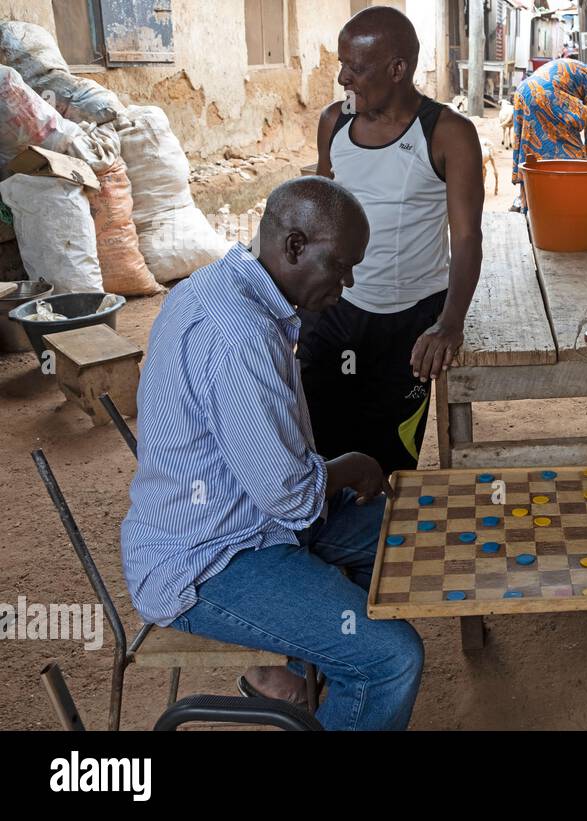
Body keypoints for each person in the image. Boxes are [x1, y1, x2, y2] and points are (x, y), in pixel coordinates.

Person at [121, 177, 424, 731]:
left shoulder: (223, 286)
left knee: (404, 532)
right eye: (341, 266)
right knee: (390, 657)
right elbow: (287, 493)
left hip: (249, 520)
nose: (348, 282)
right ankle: (344, 667)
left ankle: (306, 662)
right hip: (209, 559)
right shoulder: (240, 332)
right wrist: (353, 465)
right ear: (294, 247)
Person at [305, 5, 485, 474]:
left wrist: (449, 323)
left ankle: (376, 538)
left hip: (409, 319)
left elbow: (467, 236)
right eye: (342, 64)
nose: (344, 78)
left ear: (397, 69)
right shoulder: (334, 123)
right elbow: (322, 208)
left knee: (389, 453)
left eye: (356, 68)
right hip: (336, 309)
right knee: (318, 438)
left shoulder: (448, 133)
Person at [509, 57, 587, 210]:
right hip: (545, 94)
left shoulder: (574, 68)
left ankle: (525, 203)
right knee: (573, 158)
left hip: (523, 92)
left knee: (530, 151)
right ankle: (564, 207)